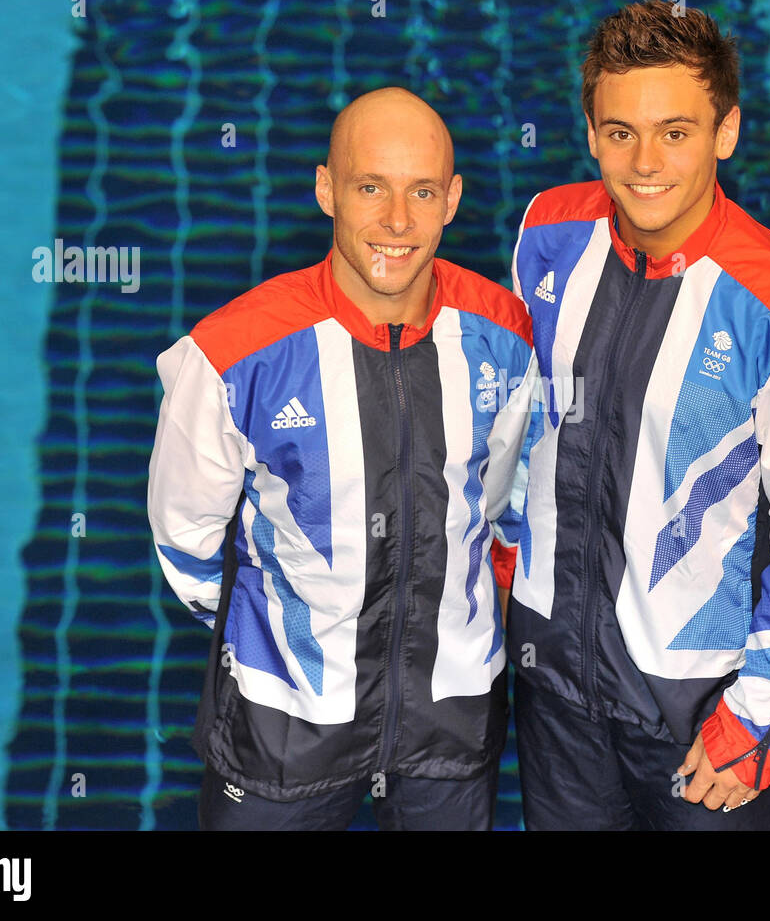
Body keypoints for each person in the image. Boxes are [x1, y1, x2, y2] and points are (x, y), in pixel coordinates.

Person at [505, 0, 770, 830]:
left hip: (696, 704)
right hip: (555, 682)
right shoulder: (547, 232)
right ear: (592, 131)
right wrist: (501, 566)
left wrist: (756, 728)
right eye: (620, 131)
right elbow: (524, 425)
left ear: (726, 131)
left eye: (676, 131)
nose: (644, 163)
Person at [147, 87, 533, 830]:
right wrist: (288, 638)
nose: (397, 222)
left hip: (450, 723)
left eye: (422, 192)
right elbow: (185, 543)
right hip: (282, 728)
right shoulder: (233, 354)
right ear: (327, 189)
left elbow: (504, 503)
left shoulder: (503, 335)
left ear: (452, 199)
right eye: (370, 188)